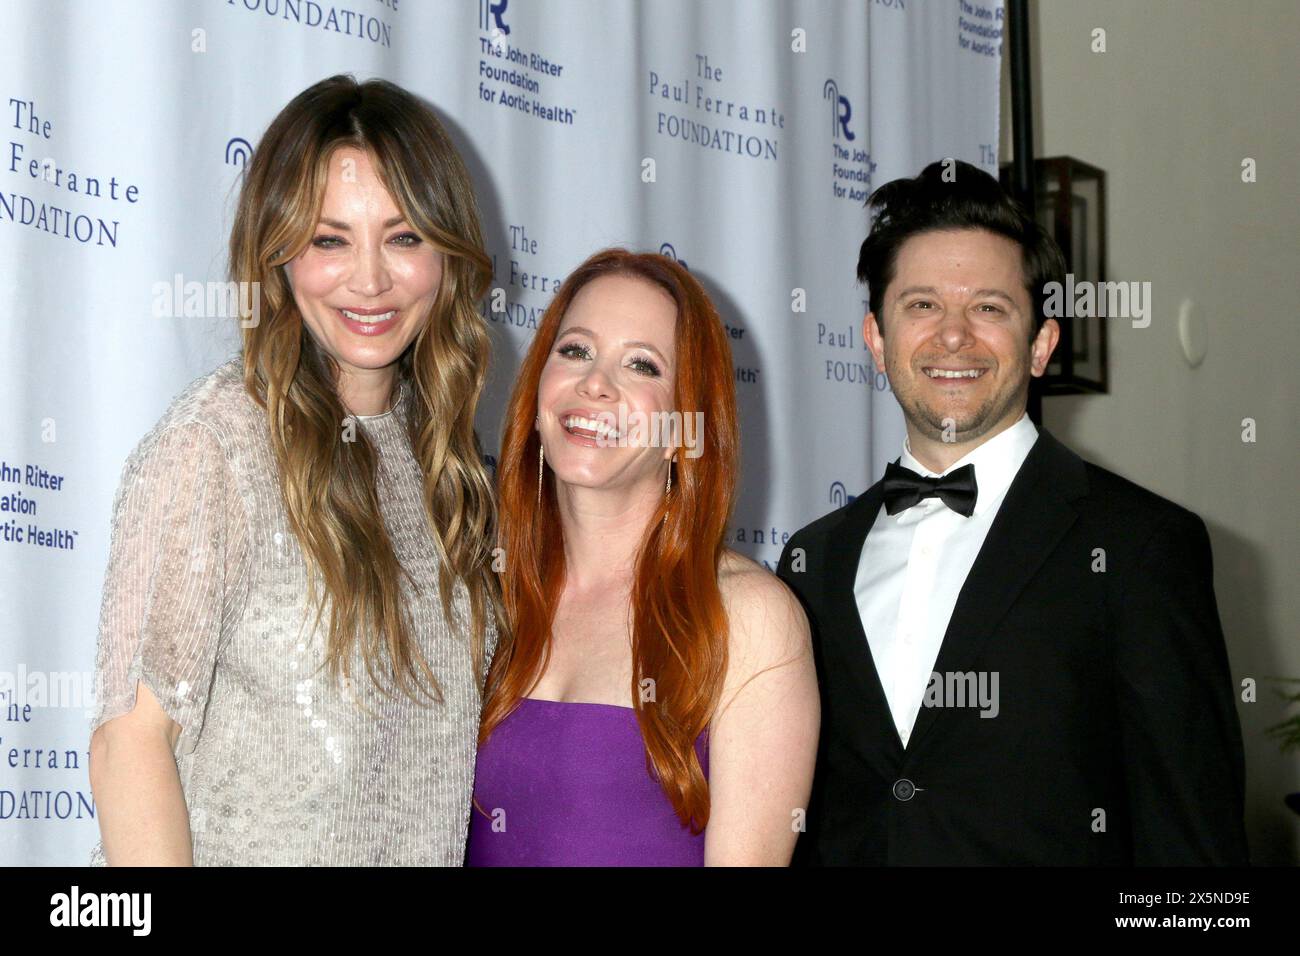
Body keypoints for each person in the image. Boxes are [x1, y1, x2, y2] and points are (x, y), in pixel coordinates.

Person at [777, 160, 1249, 865]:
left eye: (990, 308)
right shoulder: (812, 561)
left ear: (1041, 345)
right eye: (923, 305)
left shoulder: (1141, 546)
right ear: (876, 340)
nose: (955, 336)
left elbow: (1193, 850)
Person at [87, 75, 502, 865]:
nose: (371, 279)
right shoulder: (214, 448)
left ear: (447, 255)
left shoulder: (448, 470)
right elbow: (127, 744)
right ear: (275, 253)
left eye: (406, 237)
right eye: (329, 239)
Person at [466, 248, 819, 866]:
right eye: (574, 350)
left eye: (641, 365)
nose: (595, 383)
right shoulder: (480, 593)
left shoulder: (747, 616)